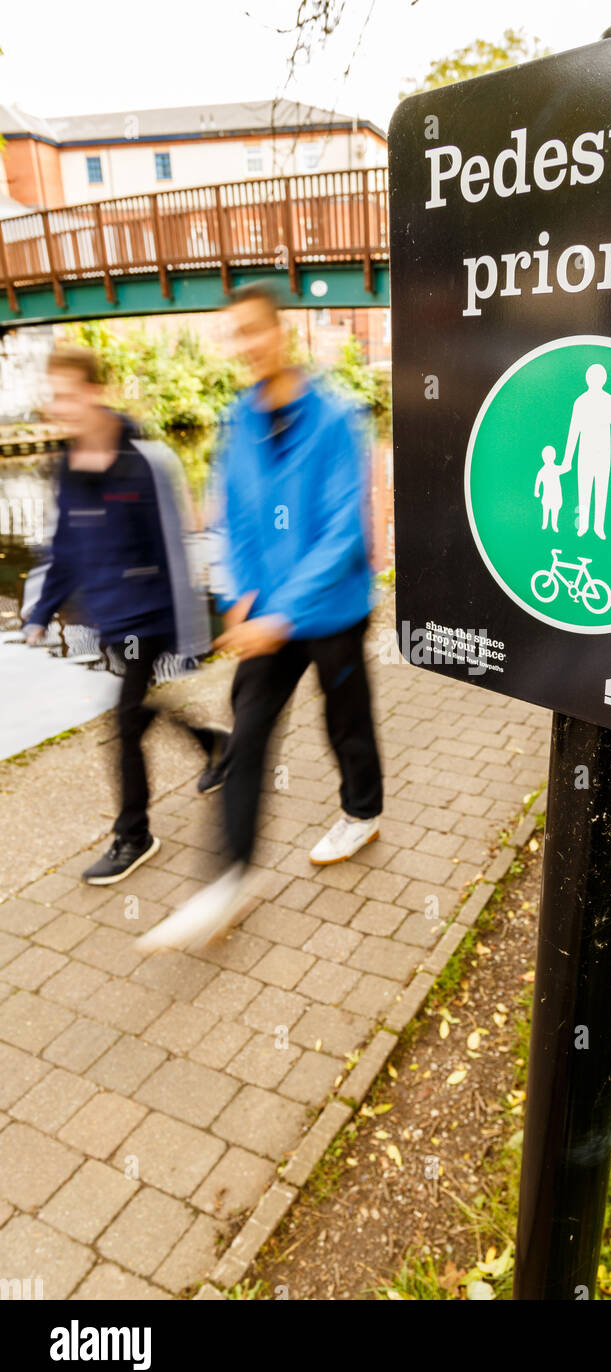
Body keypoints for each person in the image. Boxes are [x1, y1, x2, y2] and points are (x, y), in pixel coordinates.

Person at [134, 281, 383, 955]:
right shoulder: (236, 421)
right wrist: (240, 592)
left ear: (281, 333)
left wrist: (283, 613)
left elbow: (343, 532)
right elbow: (232, 518)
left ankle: (362, 811)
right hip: (266, 614)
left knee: (346, 720)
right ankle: (226, 886)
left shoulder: (335, 419)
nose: (247, 345)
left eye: (255, 331)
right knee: (247, 736)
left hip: (330, 608)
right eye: (235, 334)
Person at [24, 344, 214, 884]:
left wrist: (190, 640)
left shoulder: (143, 462)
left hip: (150, 616)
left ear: (96, 392)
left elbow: (175, 551)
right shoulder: (67, 465)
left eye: (70, 394)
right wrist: (40, 611)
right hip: (107, 618)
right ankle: (213, 744)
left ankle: (134, 833)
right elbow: (65, 548)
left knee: (124, 724)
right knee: (144, 706)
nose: (62, 406)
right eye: (55, 396)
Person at [561, 363, 611, 540]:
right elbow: (573, 432)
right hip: (585, 453)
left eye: (598, 377)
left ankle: (599, 527)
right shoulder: (581, 402)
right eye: (592, 377)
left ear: (603, 380)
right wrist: (567, 459)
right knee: (584, 491)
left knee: (602, 491)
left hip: (604, 454)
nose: (594, 380)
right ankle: (583, 526)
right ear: (587, 379)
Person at [533, 443, 569, 531]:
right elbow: (538, 481)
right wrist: (536, 491)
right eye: (546, 457)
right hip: (547, 496)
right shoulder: (542, 471)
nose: (548, 458)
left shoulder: (556, 469)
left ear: (554, 457)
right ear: (543, 458)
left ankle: (554, 525)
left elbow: (566, 468)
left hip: (556, 496)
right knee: (546, 510)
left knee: (555, 511)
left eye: (550, 456)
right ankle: (545, 524)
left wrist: (567, 461)